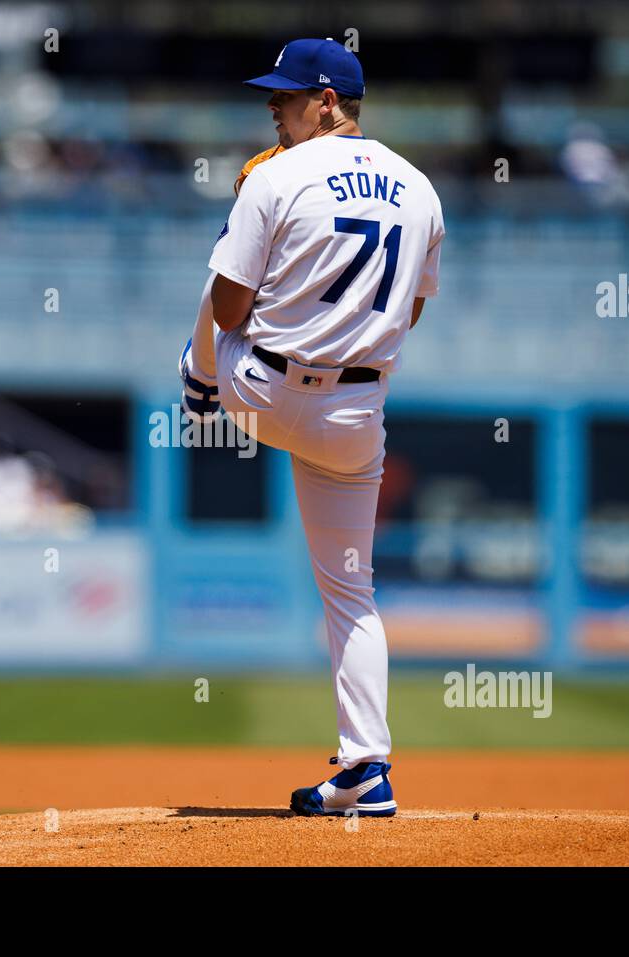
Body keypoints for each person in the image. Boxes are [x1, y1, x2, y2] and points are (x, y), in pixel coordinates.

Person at [179, 38, 445, 817]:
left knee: (223, 270)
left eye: (287, 97)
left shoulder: (276, 174)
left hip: (256, 388)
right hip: (356, 415)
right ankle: (369, 764)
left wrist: (218, 365)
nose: (273, 107)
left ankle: (193, 381)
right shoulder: (422, 188)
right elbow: (413, 310)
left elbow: (229, 310)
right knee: (352, 592)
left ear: (327, 102)